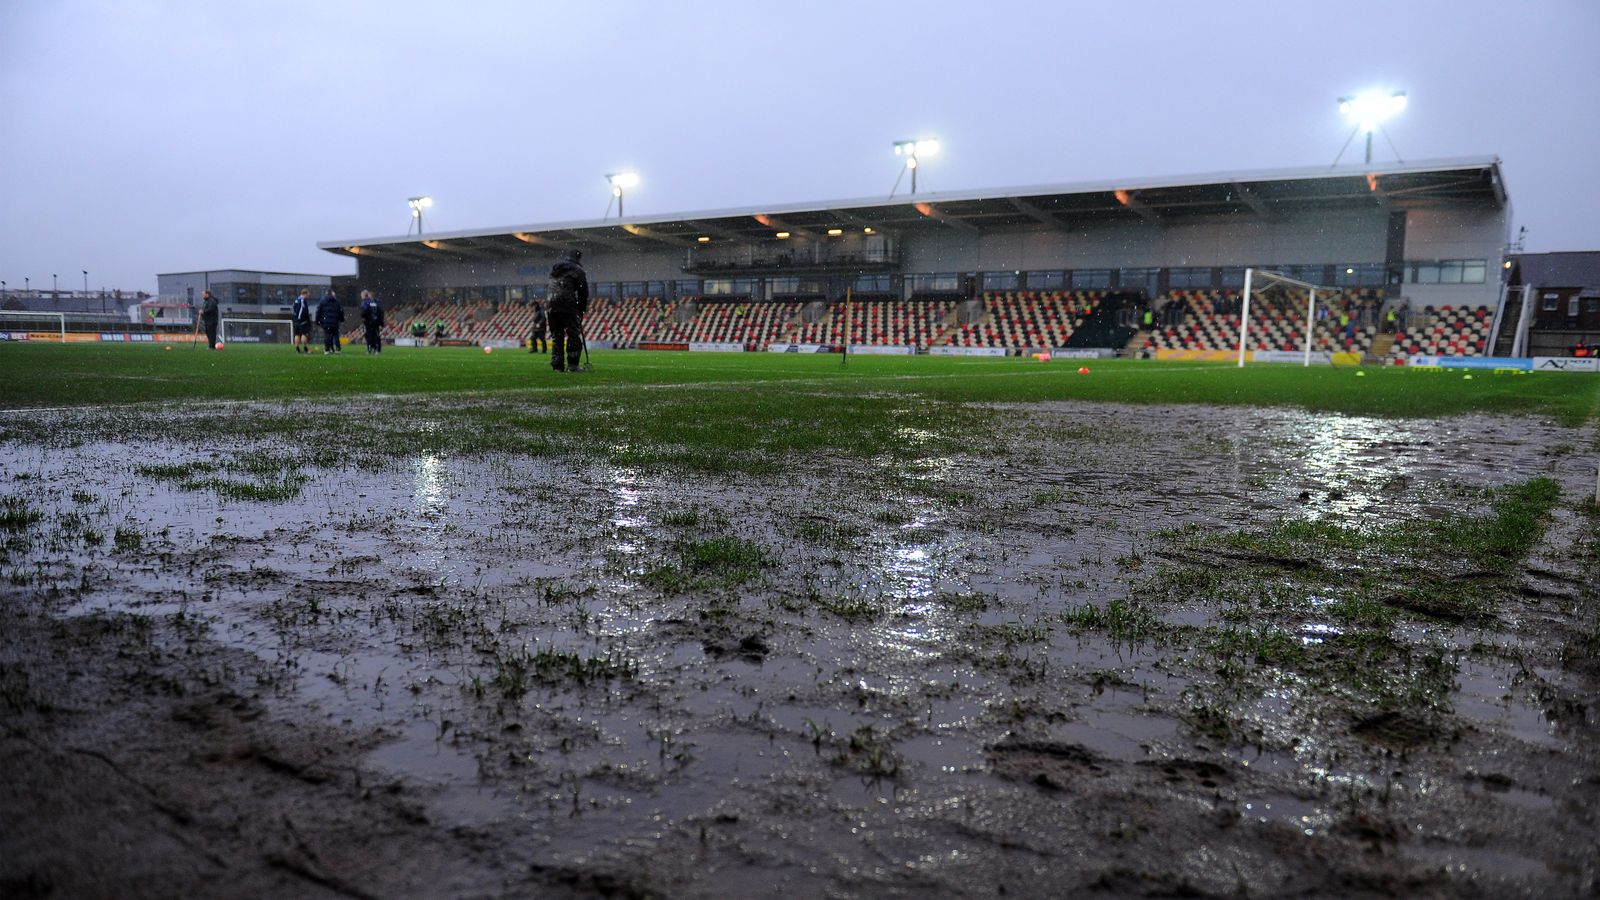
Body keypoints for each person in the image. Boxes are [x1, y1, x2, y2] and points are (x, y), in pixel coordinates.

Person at [546, 249, 589, 372]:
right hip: (566, 303)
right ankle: (573, 365)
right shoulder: (578, 271)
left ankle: (557, 366)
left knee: (557, 335)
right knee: (573, 334)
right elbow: (583, 292)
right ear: (579, 258)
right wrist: (581, 310)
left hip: (551, 303)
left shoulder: (555, 270)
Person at [358, 290, 384, 354]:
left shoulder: (366, 302)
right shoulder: (375, 303)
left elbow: (364, 311)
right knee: (375, 335)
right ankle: (377, 349)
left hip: (369, 322)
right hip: (375, 321)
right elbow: (380, 312)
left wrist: (363, 317)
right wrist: (380, 322)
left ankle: (372, 348)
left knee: (369, 335)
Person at [291, 289, 313, 353]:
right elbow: (303, 310)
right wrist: (303, 319)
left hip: (296, 321)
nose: (309, 295)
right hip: (302, 321)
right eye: (308, 294)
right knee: (304, 334)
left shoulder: (295, 300)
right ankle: (305, 348)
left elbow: (293, 310)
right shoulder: (302, 300)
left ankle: (297, 349)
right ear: (305, 294)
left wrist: (295, 319)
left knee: (297, 334)